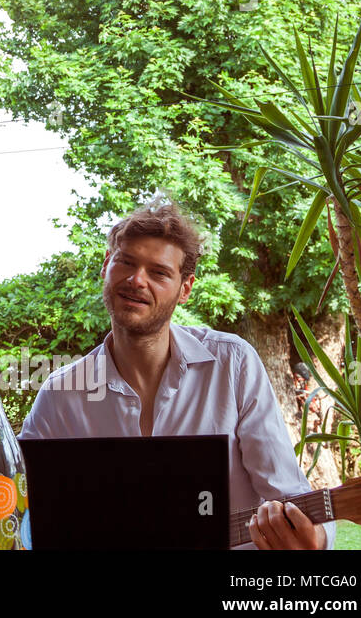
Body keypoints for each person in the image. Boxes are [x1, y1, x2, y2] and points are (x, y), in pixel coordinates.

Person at [18, 202, 337, 550]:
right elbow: (18, 509)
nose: (136, 279)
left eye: (158, 272)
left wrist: (315, 540)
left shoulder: (233, 364)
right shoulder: (61, 393)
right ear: (106, 266)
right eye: (125, 262)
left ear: (185, 289)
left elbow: (289, 494)